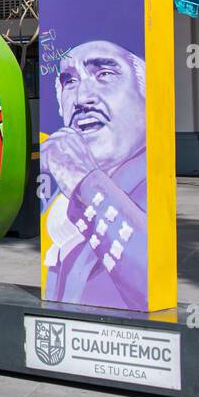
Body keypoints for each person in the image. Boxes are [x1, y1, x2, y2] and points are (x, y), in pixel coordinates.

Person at [41, 39, 148, 309]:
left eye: (105, 74)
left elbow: (148, 278)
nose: (81, 98)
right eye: (70, 82)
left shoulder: (146, 186)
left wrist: (86, 182)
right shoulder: (58, 193)